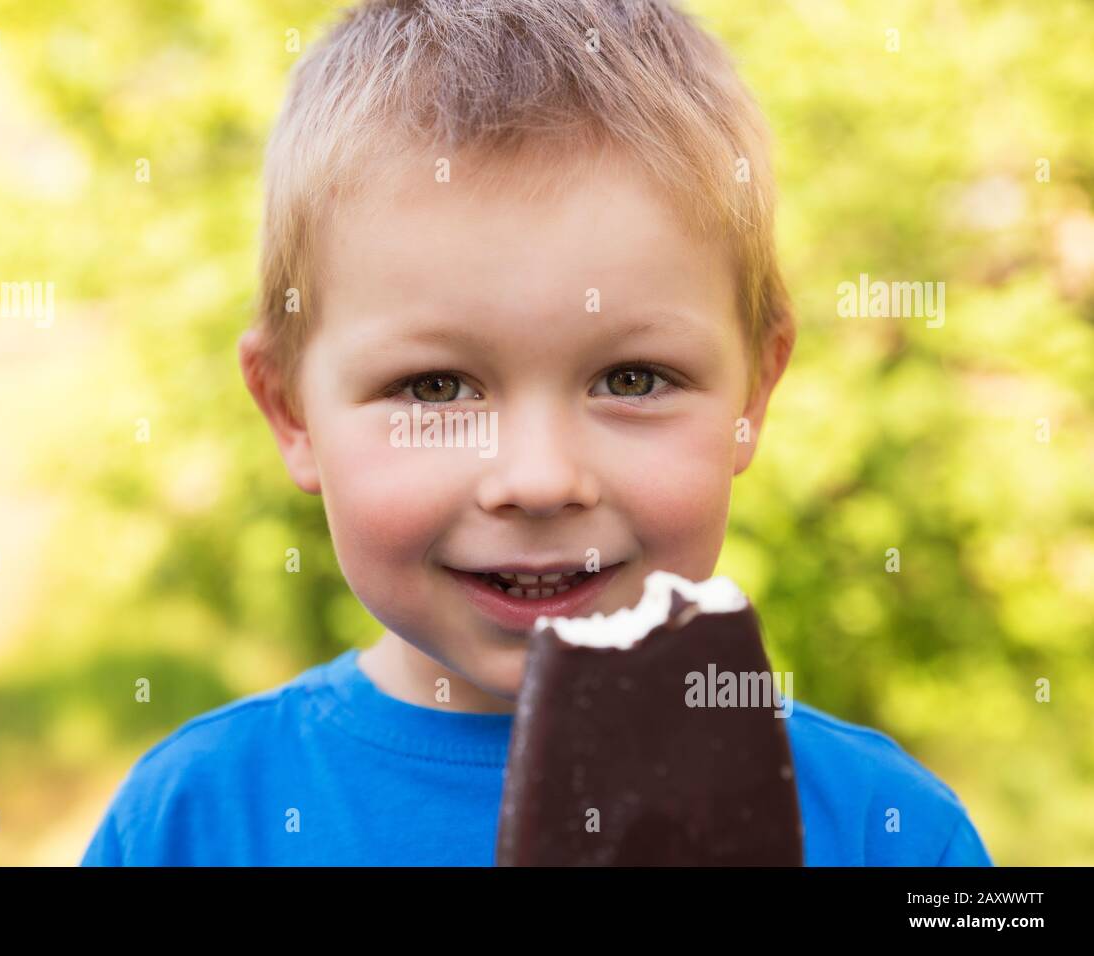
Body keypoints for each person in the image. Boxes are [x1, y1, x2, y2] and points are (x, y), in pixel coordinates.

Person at [81, 0, 992, 866]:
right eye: (434, 388)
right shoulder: (194, 825)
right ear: (291, 412)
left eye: (632, 380)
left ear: (753, 393)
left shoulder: (887, 833)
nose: (540, 478)